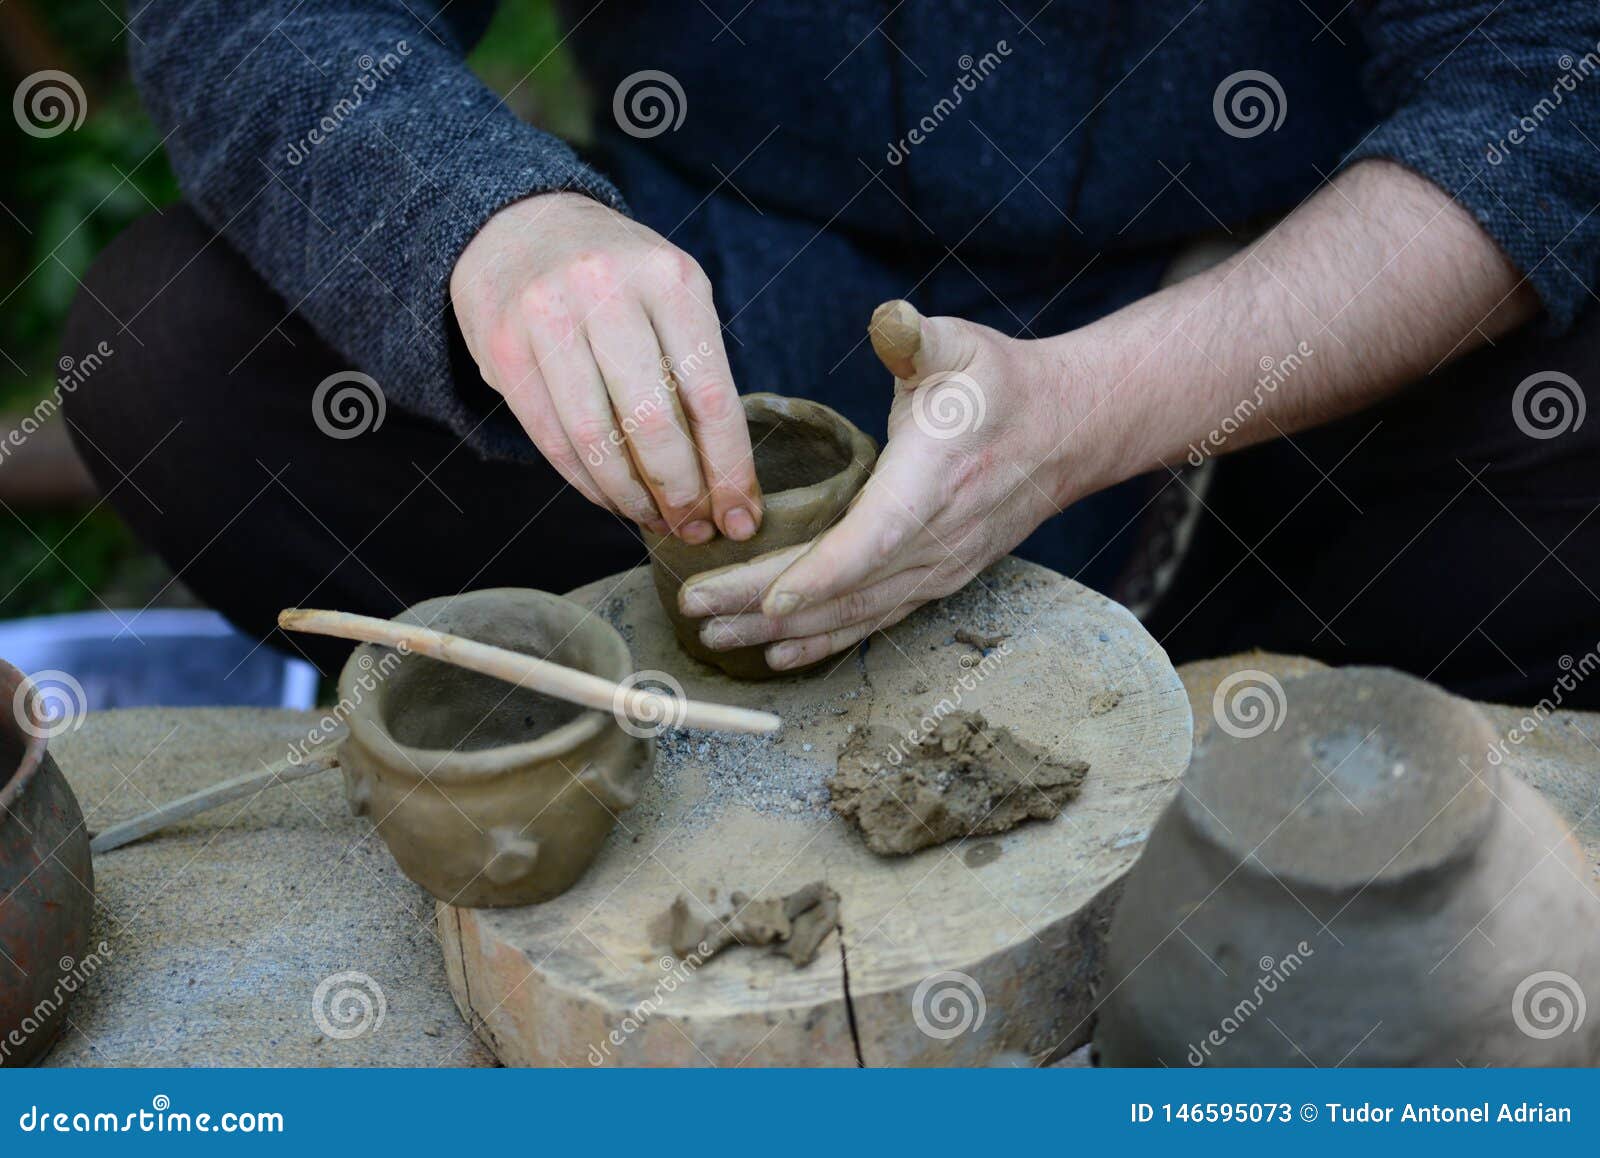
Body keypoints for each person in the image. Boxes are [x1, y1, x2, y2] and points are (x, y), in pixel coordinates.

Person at [63, 1, 1600, 706]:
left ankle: (1218, 738)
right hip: (728, 338)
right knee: (175, 348)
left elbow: (1546, 73)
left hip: (1237, 388)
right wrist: (488, 223)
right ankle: (651, 726)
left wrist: (1091, 407)